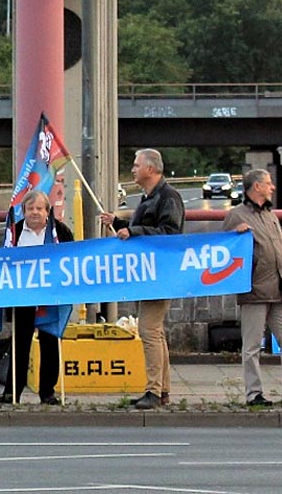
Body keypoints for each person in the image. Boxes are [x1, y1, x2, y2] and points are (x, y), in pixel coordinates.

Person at [222, 169, 282, 407]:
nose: (272, 187)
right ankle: (253, 393)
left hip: (279, 289)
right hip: (255, 291)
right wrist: (235, 235)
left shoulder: (270, 215)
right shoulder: (236, 215)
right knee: (252, 346)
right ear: (256, 187)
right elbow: (224, 248)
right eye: (268, 183)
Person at [99, 148, 184, 409]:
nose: (133, 170)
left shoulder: (168, 197)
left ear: (151, 168)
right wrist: (120, 221)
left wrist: (133, 231)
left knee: (148, 332)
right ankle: (163, 390)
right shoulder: (151, 197)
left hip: (159, 274)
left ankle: (154, 391)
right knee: (155, 334)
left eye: (136, 166)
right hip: (148, 275)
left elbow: (168, 232)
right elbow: (151, 224)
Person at [0, 190, 73, 405]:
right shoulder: (15, 232)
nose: (35, 212)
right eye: (30, 209)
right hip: (22, 296)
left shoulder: (60, 232)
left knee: (49, 342)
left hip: (50, 296)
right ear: (23, 211)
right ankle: (12, 393)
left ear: (47, 211)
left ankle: (48, 392)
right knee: (20, 343)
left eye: (39, 208)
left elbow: (72, 259)